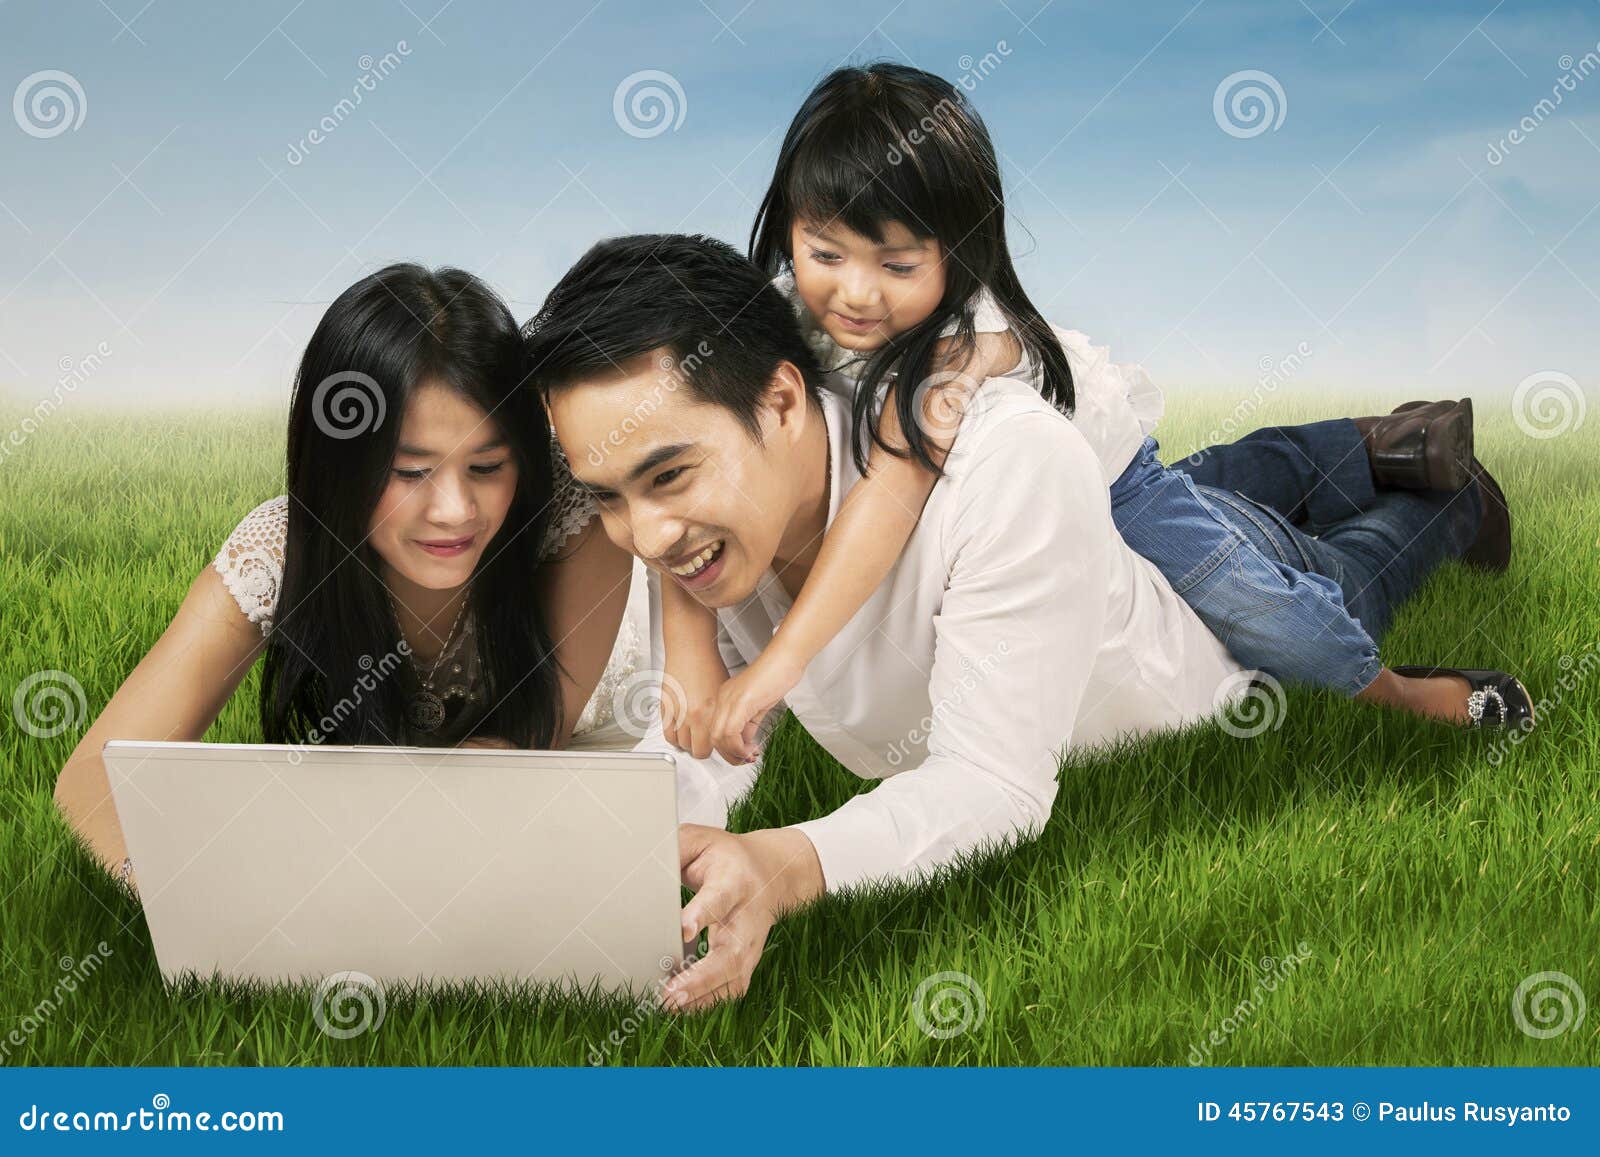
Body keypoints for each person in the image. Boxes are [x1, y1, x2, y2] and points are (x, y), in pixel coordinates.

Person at [523, 232, 1533, 1011]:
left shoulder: (997, 457)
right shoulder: (711, 536)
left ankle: (1450, 495)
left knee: (1346, 580)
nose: (643, 534)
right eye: (611, 496)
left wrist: (789, 861)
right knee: (1188, 480)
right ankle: (1352, 441)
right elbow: (708, 738)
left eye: (667, 476)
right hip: (1100, 532)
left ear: (784, 400)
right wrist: (618, 846)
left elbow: (996, 784)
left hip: (1208, 633)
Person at [641, 62, 1510, 767]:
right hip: (1042, 500)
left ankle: (1393, 686)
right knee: (1217, 477)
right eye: (825, 252)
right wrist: (688, 653)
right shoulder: (785, 315)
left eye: (898, 264)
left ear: (961, 252)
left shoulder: (950, 353)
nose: (854, 294)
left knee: (1255, 604)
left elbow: (887, 492)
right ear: (787, 226)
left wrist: (779, 662)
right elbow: (674, 463)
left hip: (1108, 483)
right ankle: (1369, 443)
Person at [53, 263, 646, 893]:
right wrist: (167, 888)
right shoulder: (281, 553)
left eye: (486, 465)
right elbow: (94, 773)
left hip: (585, 737)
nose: (454, 511)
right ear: (339, 466)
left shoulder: (575, 514)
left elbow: (531, 742)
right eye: (410, 472)